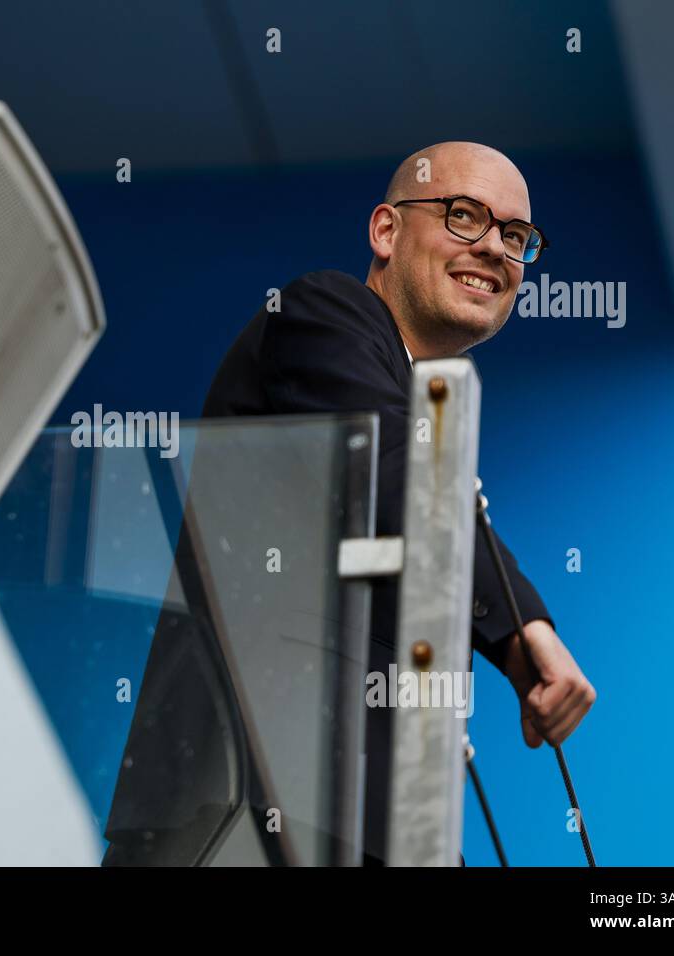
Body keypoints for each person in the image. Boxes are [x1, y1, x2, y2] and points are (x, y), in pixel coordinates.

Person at [103, 142, 595, 866]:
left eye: (515, 236)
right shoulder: (323, 310)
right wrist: (525, 629)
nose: (493, 247)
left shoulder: (427, 419)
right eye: (464, 216)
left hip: (355, 826)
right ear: (386, 232)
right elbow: (398, 477)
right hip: (235, 816)